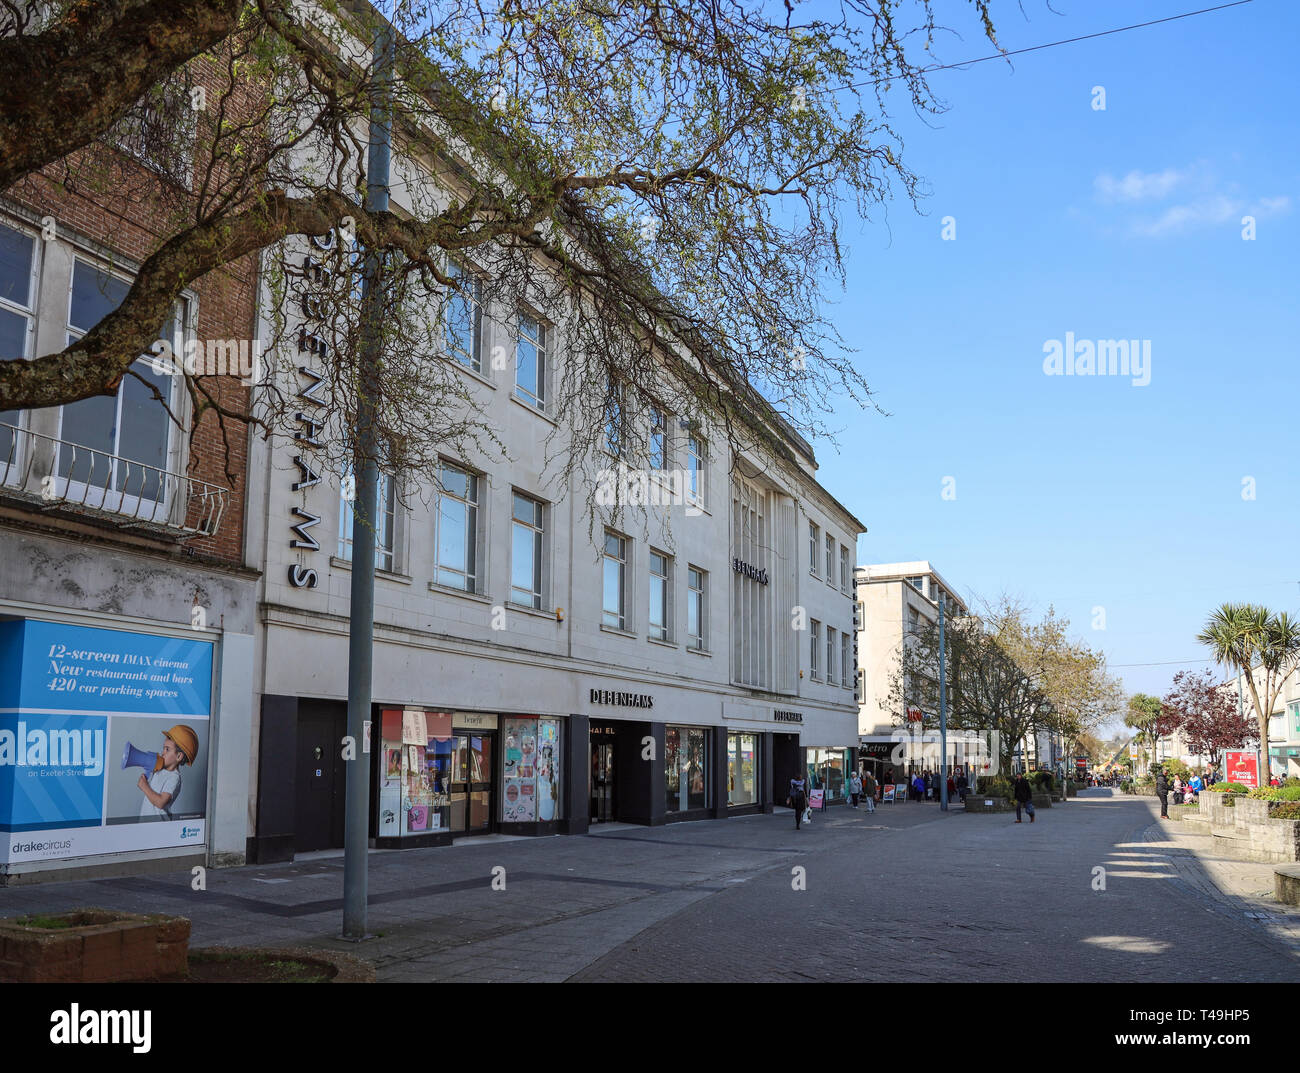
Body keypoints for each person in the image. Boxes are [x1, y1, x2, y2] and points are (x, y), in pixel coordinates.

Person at [137, 724, 198, 821]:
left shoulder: (174, 778)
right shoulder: (160, 769)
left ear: (179, 756)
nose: (163, 752)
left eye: (167, 749)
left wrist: (145, 786)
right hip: (146, 823)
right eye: (163, 748)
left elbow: (161, 803)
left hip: (159, 827)